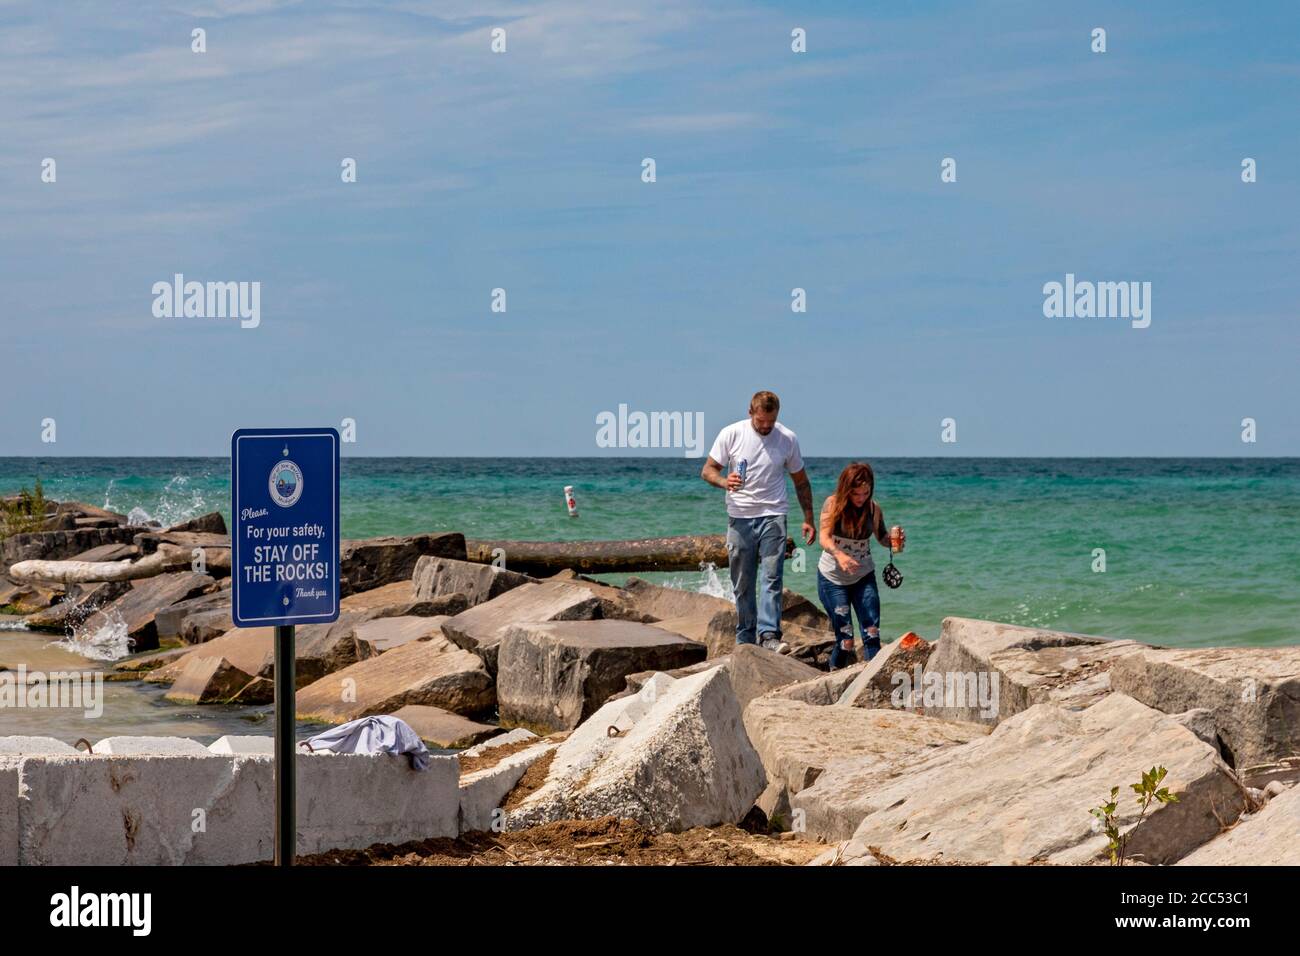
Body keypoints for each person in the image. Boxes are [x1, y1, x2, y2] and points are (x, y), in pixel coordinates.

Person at [701, 391, 815, 652]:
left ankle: (769, 635)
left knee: (772, 577)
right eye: (760, 421)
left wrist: (808, 517)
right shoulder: (731, 434)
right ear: (750, 412)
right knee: (743, 583)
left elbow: (801, 481)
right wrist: (723, 481)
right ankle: (745, 637)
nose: (765, 427)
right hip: (740, 516)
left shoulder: (787, 439)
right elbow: (707, 470)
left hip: (774, 514)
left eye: (770, 422)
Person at [816, 461, 905, 669]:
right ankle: (833, 674)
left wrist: (893, 542)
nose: (861, 498)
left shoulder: (873, 509)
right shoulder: (833, 504)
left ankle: (873, 678)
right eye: (856, 494)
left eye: (865, 493)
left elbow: (882, 537)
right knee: (846, 641)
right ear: (846, 490)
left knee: (872, 632)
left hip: (864, 576)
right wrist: (841, 556)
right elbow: (824, 537)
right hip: (832, 578)